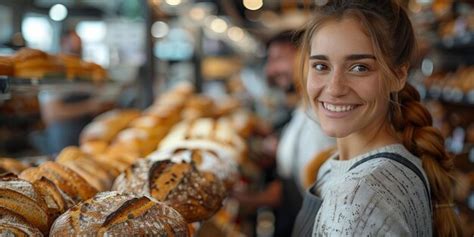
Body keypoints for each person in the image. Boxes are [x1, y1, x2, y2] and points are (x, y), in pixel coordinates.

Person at [292, 0, 462, 236]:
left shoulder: (357, 196)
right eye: (321, 66)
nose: (334, 88)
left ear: (398, 76)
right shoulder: (375, 165)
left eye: (359, 67)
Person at [233, 31, 334, 237]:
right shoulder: (303, 110)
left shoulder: (323, 119)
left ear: (307, 57)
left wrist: (243, 199)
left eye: (278, 58)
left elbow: (316, 190)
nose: (270, 70)